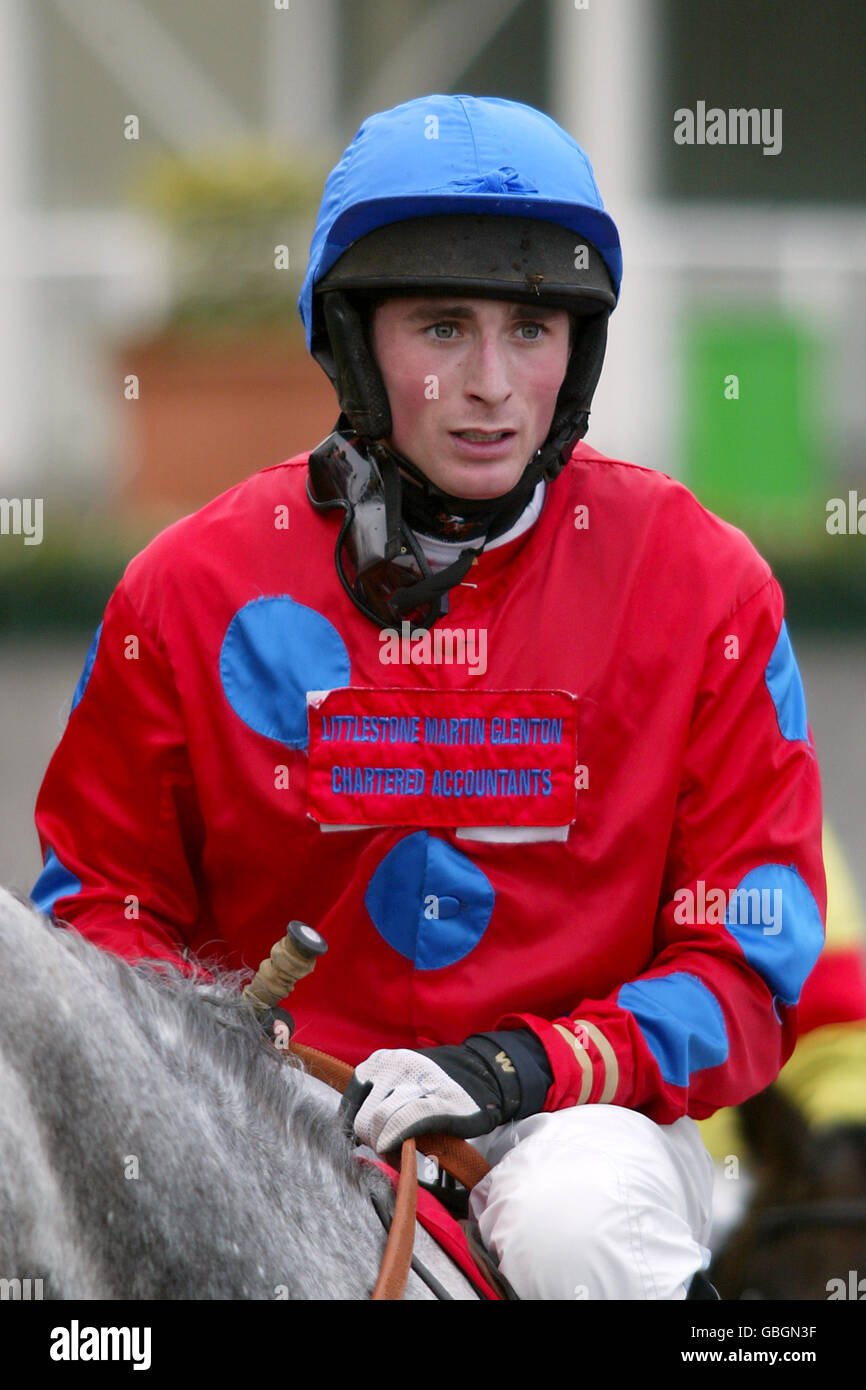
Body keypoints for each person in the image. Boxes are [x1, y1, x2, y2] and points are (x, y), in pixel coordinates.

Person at [30, 93, 826, 1300]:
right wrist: (253, 1076)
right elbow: (94, 913)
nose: (493, 385)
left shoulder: (706, 587)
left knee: (576, 1222)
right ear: (354, 343)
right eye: (441, 328)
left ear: (579, 348)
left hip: (576, 1121)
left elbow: (746, 961)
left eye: (532, 328)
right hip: (266, 1125)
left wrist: (519, 1068)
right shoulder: (183, 590)